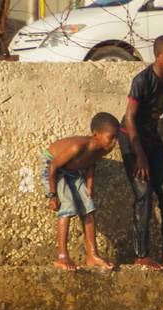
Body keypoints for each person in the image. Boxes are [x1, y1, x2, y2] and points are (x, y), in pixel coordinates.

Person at [122, 35, 163, 270]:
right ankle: (141, 254)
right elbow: (130, 118)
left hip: (152, 137)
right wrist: (139, 156)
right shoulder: (142, 80)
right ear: (159, 55)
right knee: (144, 193)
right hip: (131, 138)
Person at [45, 113, 120, 272]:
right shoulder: (77, 147)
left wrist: (89, 186)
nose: (115, 142)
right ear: (96, 135)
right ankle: (62, 256)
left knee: (89, 208)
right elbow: (53, 167)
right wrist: (53, 195)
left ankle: (92, 255)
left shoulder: (103, 148)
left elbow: (92, 163)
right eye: (111, 137)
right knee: (67, 206)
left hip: (72, 170)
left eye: (117, 138)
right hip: (52, 165)